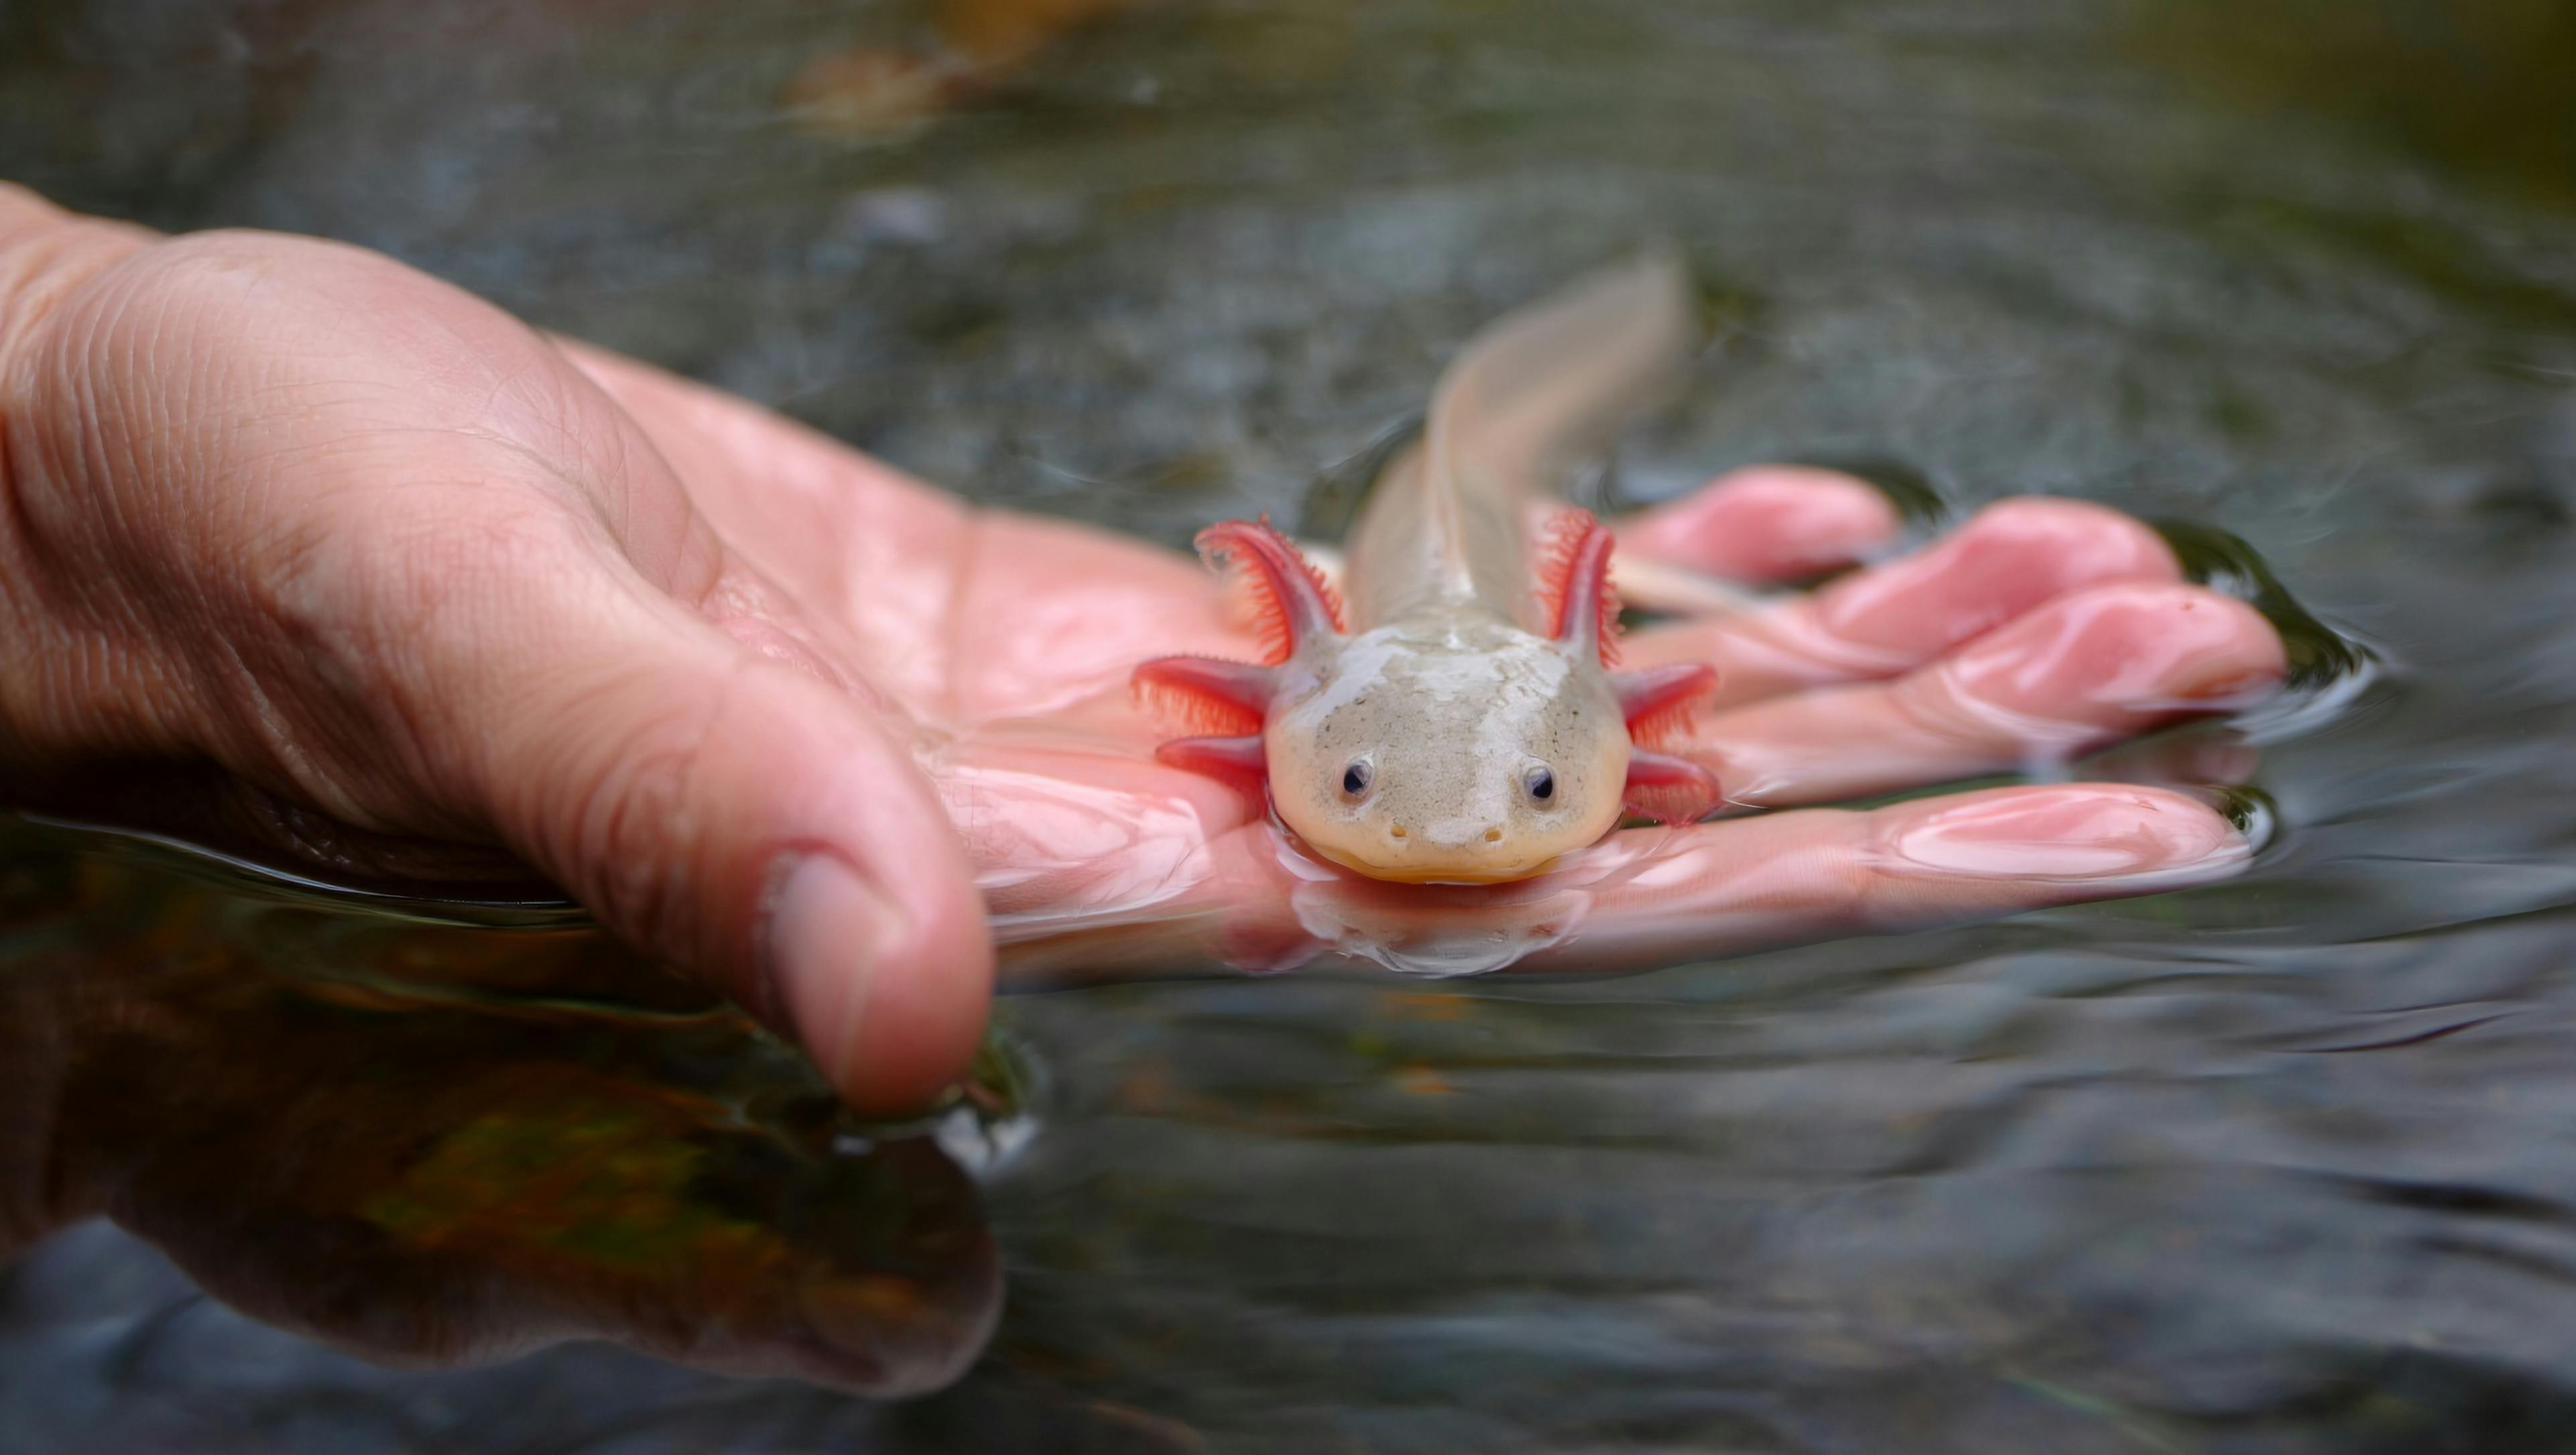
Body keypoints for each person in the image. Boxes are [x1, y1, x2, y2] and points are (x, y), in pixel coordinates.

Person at [0, 184, 2286, 1112]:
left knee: (1539, 550)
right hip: (1381, 605)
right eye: (1376, 788)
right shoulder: (1276, 682)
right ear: (1255, 689)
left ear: (1632, 732)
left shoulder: (1593, 694)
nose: (1457, 840)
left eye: (1536, 793)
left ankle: (1594, 433)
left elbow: (1489, 757)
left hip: (1536, 602)